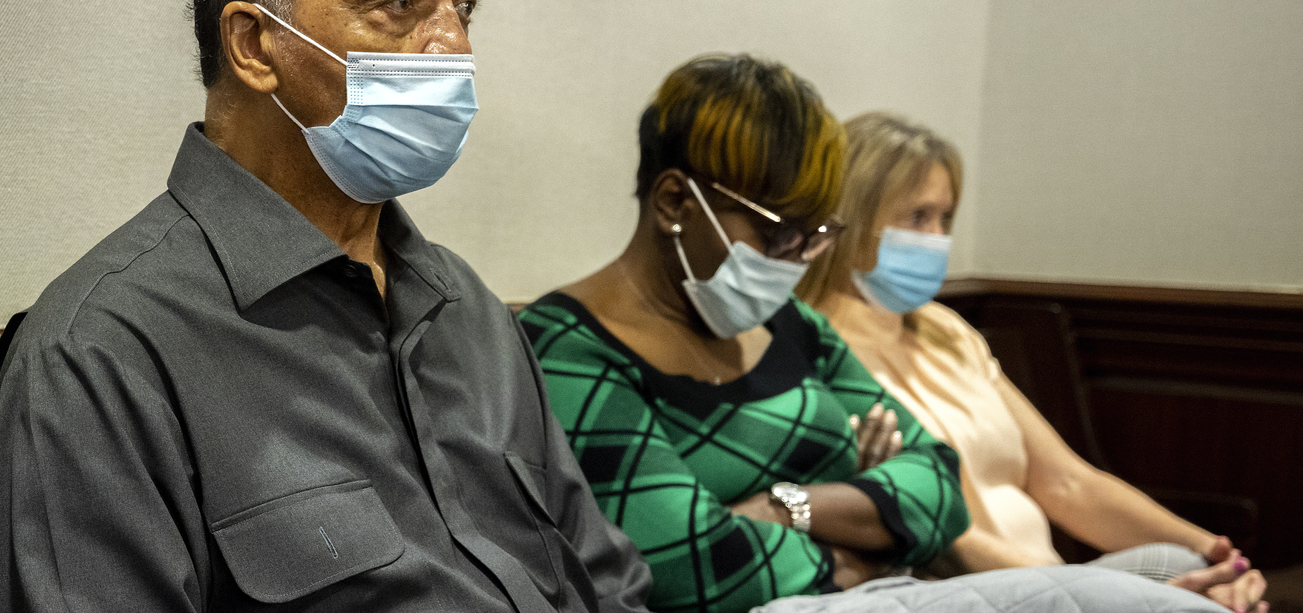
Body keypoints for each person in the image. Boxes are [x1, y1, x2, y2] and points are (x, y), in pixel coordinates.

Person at [0, 0, 651, 612]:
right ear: (255, 45)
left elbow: (609, 586)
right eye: (401, 4)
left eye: (463, 8)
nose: (455, 47)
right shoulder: (99, 356)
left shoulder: (468, 310)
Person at [519, 55, 1234, 613]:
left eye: (816, 235)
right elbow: (691, 565)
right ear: (676, 201)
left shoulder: (787, 324)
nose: (798, 259)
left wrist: (785, 507)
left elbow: (938, 484)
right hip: (804, 602)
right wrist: (864, 535)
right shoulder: (571, 347)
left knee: (1171, 571)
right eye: (779, 232)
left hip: (885, 589)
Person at [795, 111, 1268, 613]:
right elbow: (936, 534)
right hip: (965, 592)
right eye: (917, 217)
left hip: (1051, 580)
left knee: (1181, 562)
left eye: (945, 219)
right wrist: (1087, 594)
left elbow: (1068, 483)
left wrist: (1222, 560)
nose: (936, 238)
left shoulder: (944, 330)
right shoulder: (815, 351)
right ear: (853, 220)